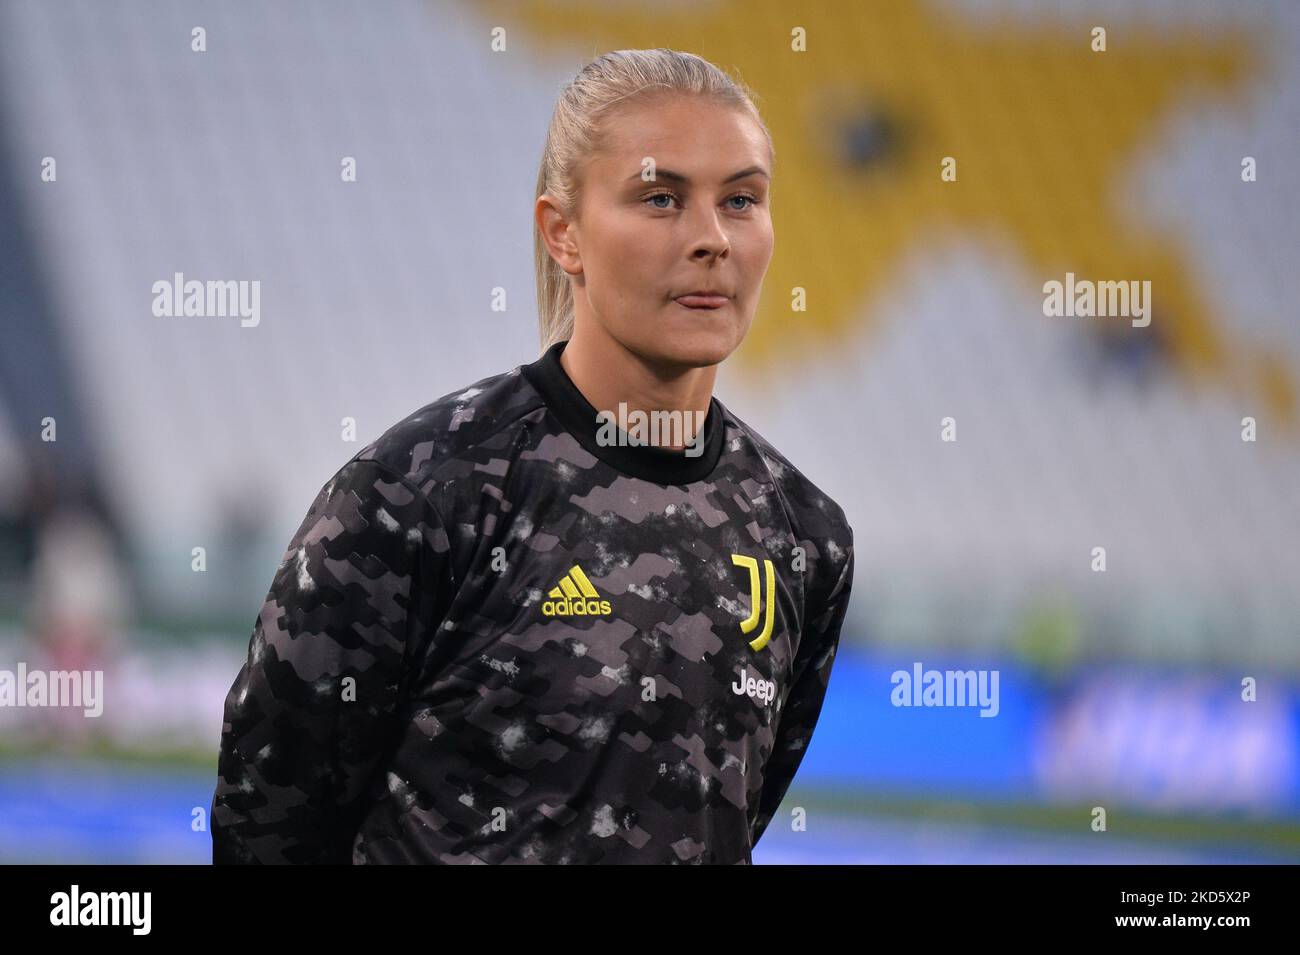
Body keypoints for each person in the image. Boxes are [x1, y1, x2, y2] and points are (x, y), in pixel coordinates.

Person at [211, 48, 855, 865]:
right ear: (564, 233)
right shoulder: (420, 492)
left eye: (741, 200)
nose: (711, 239)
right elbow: (267, 825)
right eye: (660, 198)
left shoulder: (804, 536)